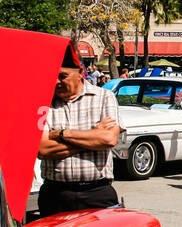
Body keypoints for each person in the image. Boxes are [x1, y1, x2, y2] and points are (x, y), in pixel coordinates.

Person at [37, 60, 123, 217]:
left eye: (62, 76)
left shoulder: (104, 97)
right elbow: (42, 149)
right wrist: (92, 137)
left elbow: (109, 139)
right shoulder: (44, 102)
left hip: (97, 193)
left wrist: (62, 133)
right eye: (53, 76)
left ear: (80, 72)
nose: (56, 82)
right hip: (55, 195)